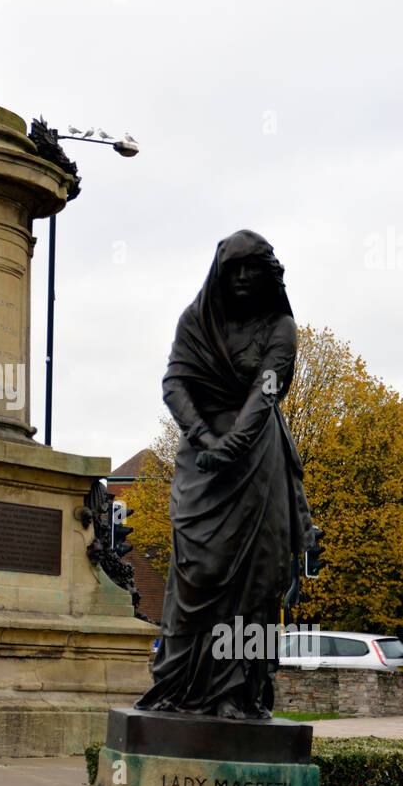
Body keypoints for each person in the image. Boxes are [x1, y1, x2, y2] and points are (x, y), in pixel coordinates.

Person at [135, 230, 318, 720]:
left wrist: (231, 445)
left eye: (250, 268)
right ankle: (180, 685)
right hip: (201, 458)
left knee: (253, 580)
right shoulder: (197, 320)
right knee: (199, 571)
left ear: (266, 275)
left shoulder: (280, 327)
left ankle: (237, 691)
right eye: (232, 268)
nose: (240, 277)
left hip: (257, 461)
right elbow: (175, 380)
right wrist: (203, 439)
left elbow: (267, 392)